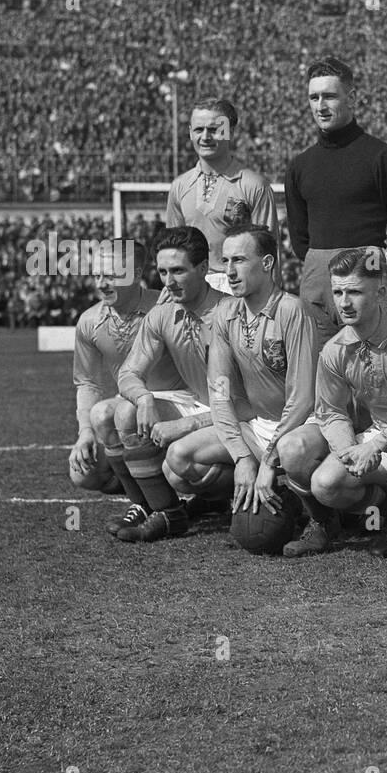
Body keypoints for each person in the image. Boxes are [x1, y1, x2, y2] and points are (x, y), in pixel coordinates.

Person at [278, 248, 387, 563]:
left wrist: (377, 445)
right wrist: (347, 452)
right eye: (338, 291)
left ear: (380, 292)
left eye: (354, 291)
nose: (344, 302)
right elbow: (330, 412)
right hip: (380, 436)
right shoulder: (334, 349)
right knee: (326, 485)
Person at [164, 224, 318, 538]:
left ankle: (321, 517)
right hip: (255, 426)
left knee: (293, 450)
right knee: (177, 463)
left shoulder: (292, 311)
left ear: (267, 264)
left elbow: (303, 397)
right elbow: (218, 392)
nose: (230, 271)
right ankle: (253, 496)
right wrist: (243, 457)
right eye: (226, 262)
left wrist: (269, 461)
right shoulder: (226, 314)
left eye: (239, 261)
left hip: (302, 424)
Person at [283, 56, 387, 347]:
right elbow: (300, 241)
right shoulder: (299, 166)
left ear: (352, 98)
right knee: (317, 372)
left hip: (367, 278)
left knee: (375, 371)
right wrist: (322, 265)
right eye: (314, 97)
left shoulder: (383, 157)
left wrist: (379, 271)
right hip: (317, 283)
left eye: (330, 96)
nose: (320, 106)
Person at [111, 226, 227, 542]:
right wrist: (145, 398)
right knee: (124, 413)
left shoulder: (231, 314)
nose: (168, 281)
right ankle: (168, 513)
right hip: (204, 406)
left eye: (178, 270)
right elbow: (128, 373)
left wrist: (187, 425)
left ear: (203, 268)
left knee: (178, 463)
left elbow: (248, 402)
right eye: (162, 272)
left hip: (242, 416)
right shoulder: (161, 315)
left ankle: (239, 495)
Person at [68, 244, 176, 499]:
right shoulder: (89, 321)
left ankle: (162, 493)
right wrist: (85, 432)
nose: (102, 284)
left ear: (137, 274)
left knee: (109, 412)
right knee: (85, 474)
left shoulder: (165, 305)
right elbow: (88, 384)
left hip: (175, 404)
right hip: (128, 409)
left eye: (112, 276)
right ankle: (140, 490)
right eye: (97, 275)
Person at [165, 97, 281, 294]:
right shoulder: (179, 186)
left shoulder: (254, 185)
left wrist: (270, 302)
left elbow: (269, 252)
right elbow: (172, 252)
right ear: (190, 133)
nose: (205, 137)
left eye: (214, 129)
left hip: (239, 287)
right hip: (193, 287)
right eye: (198, 129)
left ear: (231, 132)